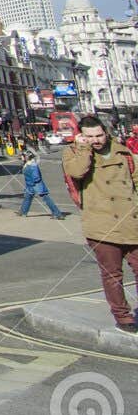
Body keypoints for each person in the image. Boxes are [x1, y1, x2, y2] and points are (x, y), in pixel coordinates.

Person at [63, 114, 138, 331]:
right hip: (101, 225)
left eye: (99, 135)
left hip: (131, 221)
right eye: (89, 136)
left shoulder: (123, 153)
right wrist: (83, 148)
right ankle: (123, 316)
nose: (96, 140)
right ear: (81, 136)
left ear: (106, 132)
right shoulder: (74, 154)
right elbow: (77, 172)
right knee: (113, 274)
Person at [18, 143, 65, 219]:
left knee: (46, 199)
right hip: (30, 186)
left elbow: (36, 177)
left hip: (36, 185)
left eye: (23, 156)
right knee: (27, 197)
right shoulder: (27, 164)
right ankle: (23, 212)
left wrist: (30, 183)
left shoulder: (32, 165)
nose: (21, 157)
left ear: (27, 157)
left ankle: (57, 214)